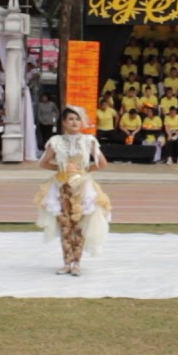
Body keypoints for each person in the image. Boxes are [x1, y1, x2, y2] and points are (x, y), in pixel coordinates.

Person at [35, 106, 111, 276]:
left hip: (83, 186)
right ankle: (66, 262)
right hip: (62, 186)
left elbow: (102, 163)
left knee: (79, 224)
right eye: (70, 119)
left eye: (77, 119)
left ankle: (77, 262)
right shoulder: (56, 141)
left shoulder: (89, 141)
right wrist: (61, 168)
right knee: (65, 224)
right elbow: (43, 163)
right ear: (64, 122)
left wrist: (82, 170)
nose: (74, 122)